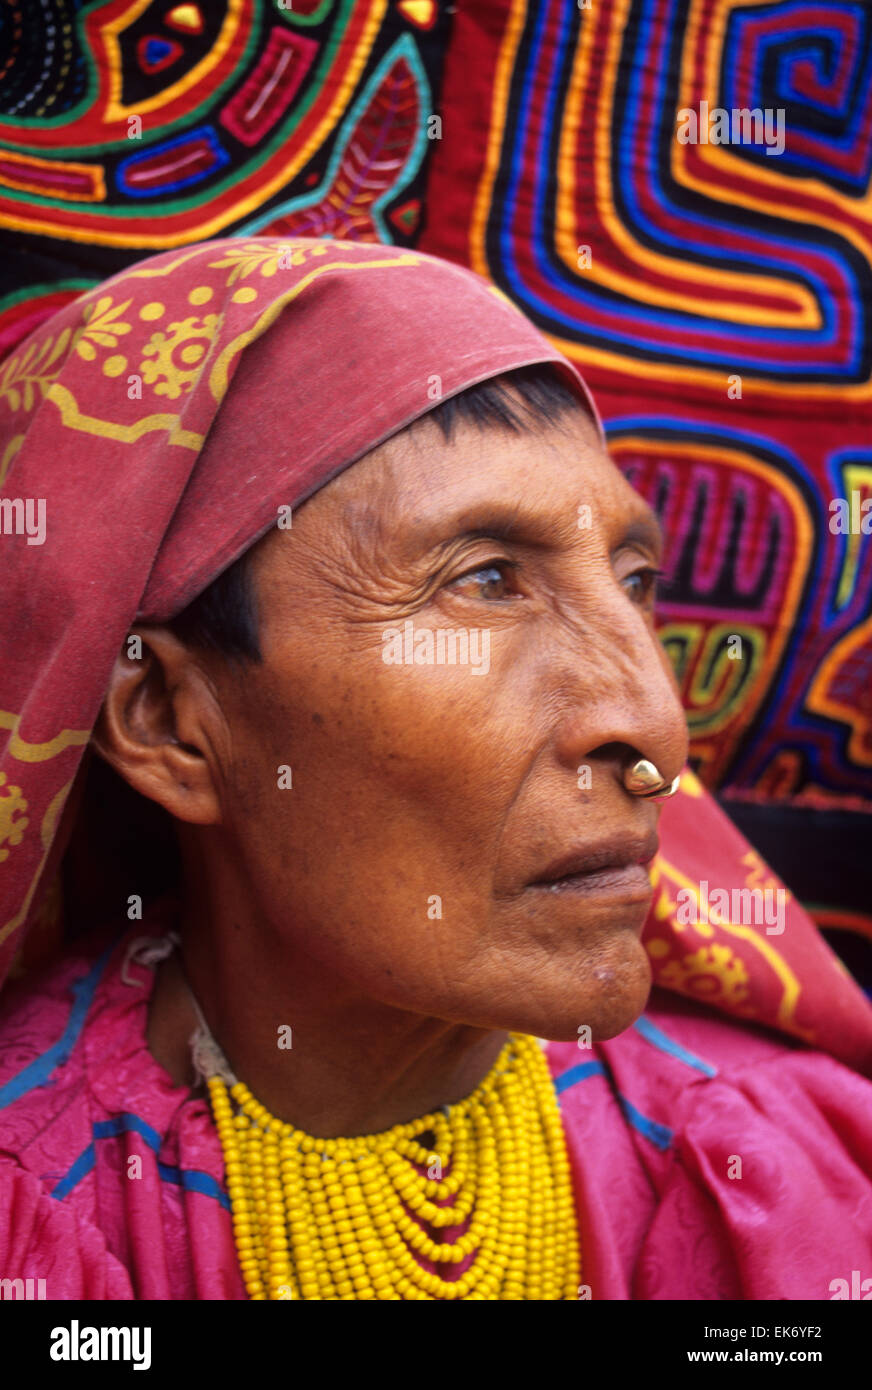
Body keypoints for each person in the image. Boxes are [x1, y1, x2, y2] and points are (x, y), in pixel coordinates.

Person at [1, 238, 871, 1301]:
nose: (652, 727)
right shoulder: (38, 1213)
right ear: (171, 721)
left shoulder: (767, 1174)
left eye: (632, 578)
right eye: (486, 580)